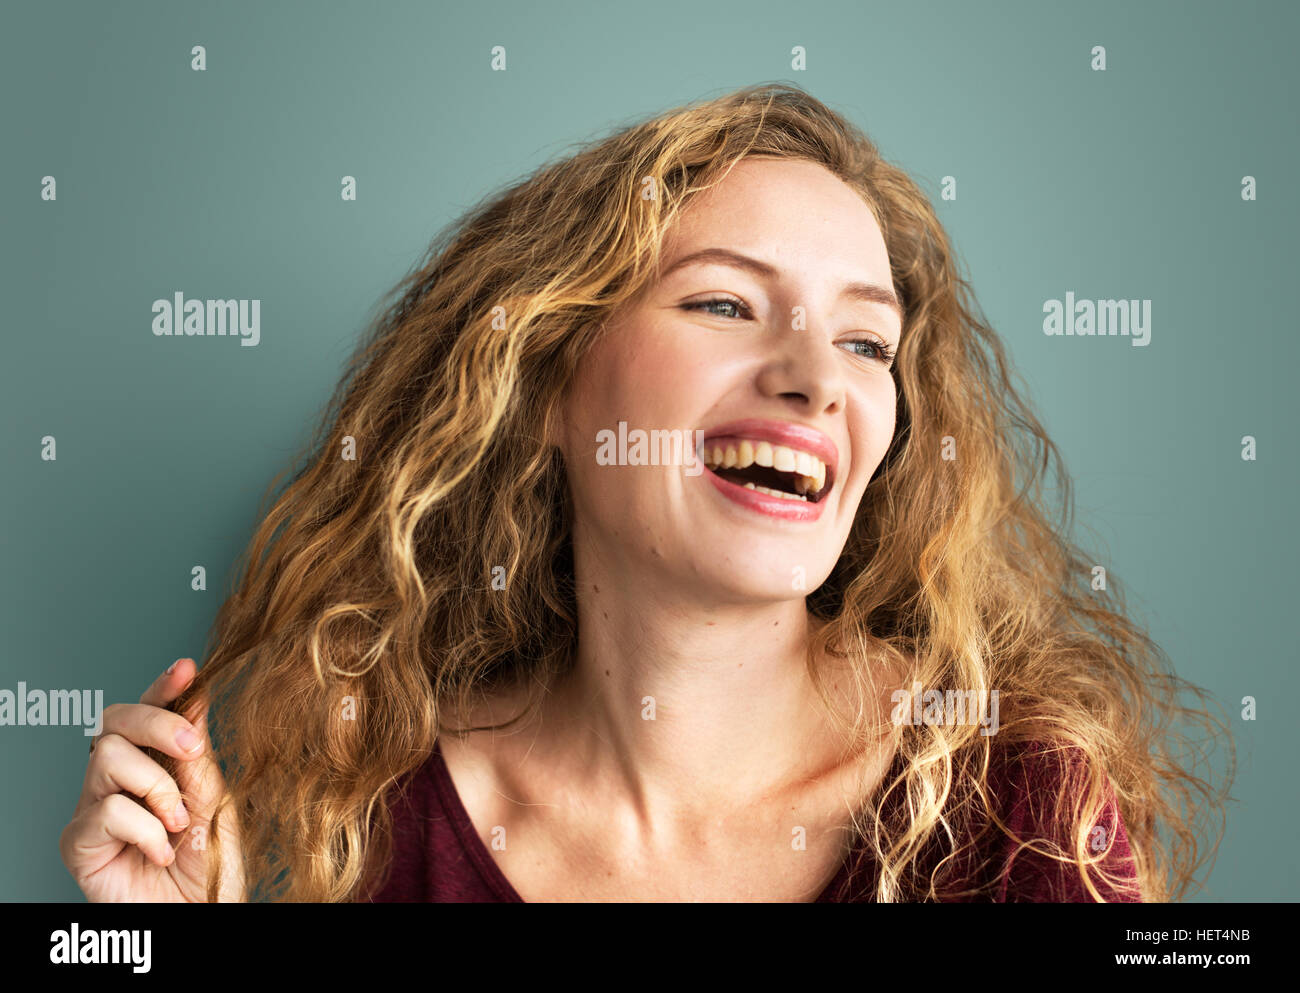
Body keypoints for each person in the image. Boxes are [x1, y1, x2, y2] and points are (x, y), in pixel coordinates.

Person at [59, 83, 1231, 903]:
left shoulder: (1007, 799)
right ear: (549, 384)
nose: (815, 379)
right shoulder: (385, 814)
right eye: (724, 304)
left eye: (868, 344)